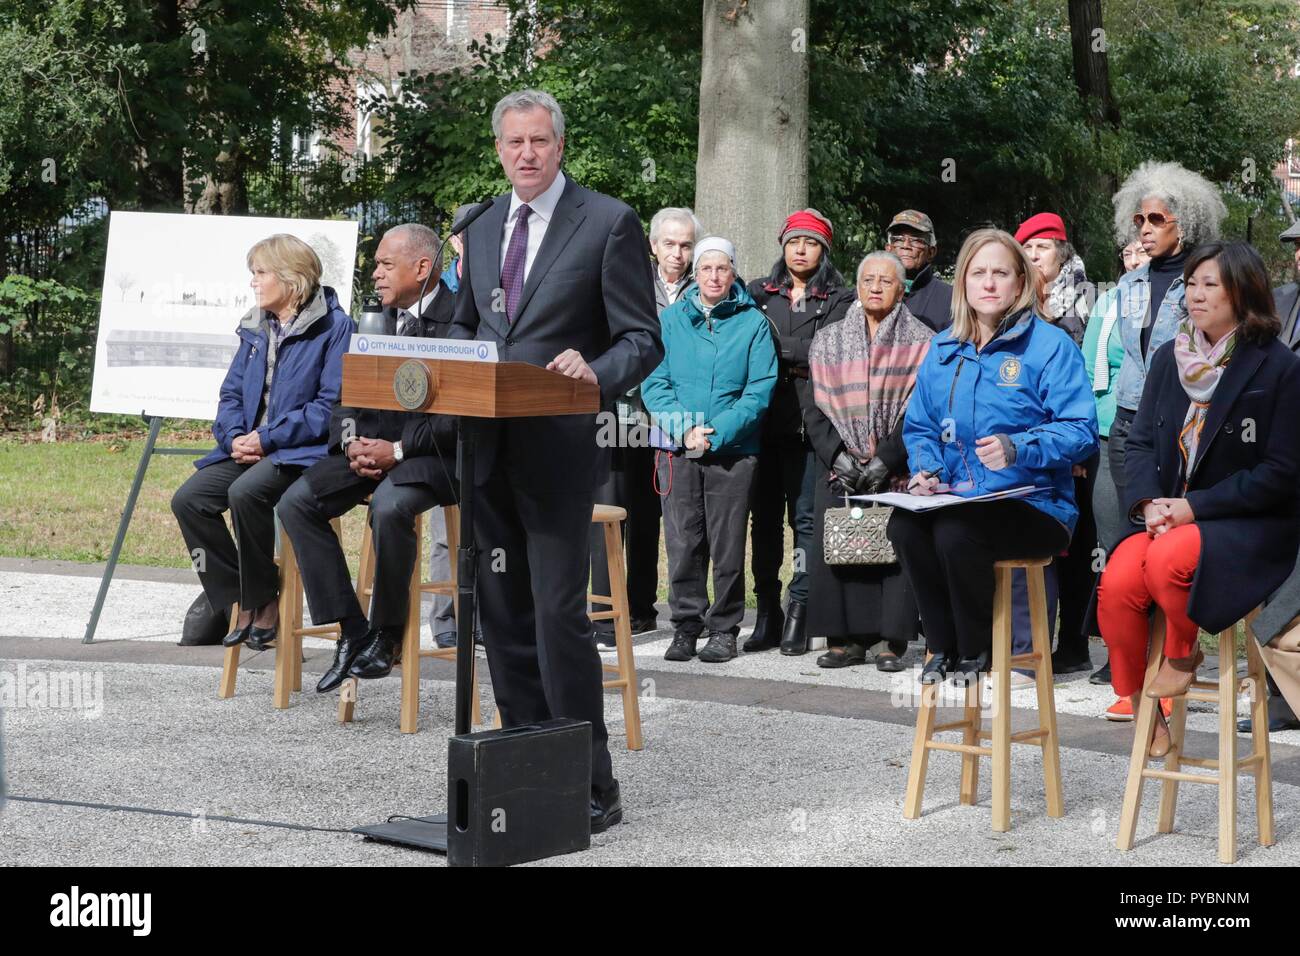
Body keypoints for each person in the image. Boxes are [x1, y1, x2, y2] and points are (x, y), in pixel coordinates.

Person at [447, 89, 663, 834]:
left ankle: (589, 783)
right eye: (514, 143)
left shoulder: (607, 222)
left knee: (556, 620)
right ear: (500, 149)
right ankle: (522, 765)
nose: (526, 154)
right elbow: (471, 328)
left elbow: (642, 338)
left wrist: (595, 371)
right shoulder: (478, 226)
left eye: (539, 141)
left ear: (560, 145)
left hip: (560, 454)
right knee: (501, 616)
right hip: (487, 452)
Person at [1097, 241, 1300, 758]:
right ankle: (1143, 704)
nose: (1196, 294)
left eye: (1211, 284)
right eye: (1191, 283)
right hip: (1167, 515)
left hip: (1243, 523)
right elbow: (1140, 440)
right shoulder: (1169, 357)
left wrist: (1193, 508)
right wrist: (1148, 504)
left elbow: (1280, 473)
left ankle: (1182, 654)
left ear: (1244, 291)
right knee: (1118, 578)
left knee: (1166, 560)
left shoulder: (1277, 366)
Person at [886, 228, 1098, 684]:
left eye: (1000, 273)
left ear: (1019, 283)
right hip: (958, 498)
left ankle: (975, 650)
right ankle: (941, 646)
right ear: (963, 282)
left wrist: (1019, 446)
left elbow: (1082, 432)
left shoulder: (1050, 346)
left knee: (956, 533)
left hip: (1036, 505)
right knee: (904, 526)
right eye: (977, 273)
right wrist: (927, 470)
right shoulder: (943, 349)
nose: (988, 283)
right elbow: (920, 426)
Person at [277, 223, 459, 691]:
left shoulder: (460, 321)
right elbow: (346, 394)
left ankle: (388, 635)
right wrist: (352, 441)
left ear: (422, 267)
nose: (374, 273)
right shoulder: (373, 318)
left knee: (390, 506)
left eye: (384, 264)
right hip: (370, 449)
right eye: (375, 264)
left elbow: (458, 416)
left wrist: (396, 450)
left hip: (431, 455)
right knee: (295, 503)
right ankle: (353, 628)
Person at [171, 234, 352, 650]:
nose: (253, 282)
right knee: (189, 500)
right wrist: (234, 437)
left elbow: (327, 408)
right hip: (252, 445)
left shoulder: (335, 327)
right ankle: (245, 597)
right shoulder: (255, 325)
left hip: (299, 450)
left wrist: (266, 438)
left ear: (292, 279)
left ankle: (261, 603)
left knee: (246, 493)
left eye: (261, 273)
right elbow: (231, 394)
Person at [643, 237, 777, 664]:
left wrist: (714, 433)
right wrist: (685, 431)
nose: (714, 277)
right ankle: (686, 625)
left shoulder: (752, 323)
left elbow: (758, 392)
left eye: (722, 269)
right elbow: (655, 383)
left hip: (733, 451)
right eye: (706, 269)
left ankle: (724, 628)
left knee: (727, 543)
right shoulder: (671, 320)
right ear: (695, 274)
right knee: (683, 541)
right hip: (678, 451)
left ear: (733, 272)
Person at [801, 251, 931, 669]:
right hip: (840, 467)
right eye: (868, 280)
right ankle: (843, 640)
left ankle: (890, 641)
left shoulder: (923, 340)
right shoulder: (828, 339)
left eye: (886, 281)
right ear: (857, 286)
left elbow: (921, 409)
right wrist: (838, 456)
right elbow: (815, 404)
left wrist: (885, 460)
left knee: (895, 547)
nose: (876, 287)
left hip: (895, 468)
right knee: (841, 545)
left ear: (901, 289)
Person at [588, 206, 702, 644]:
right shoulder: (628, 282)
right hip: (621, 416)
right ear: (653, 246)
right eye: (669, 243)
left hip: (672, 423)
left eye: (685, 244)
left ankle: (640, 608)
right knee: (609, 513)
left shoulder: (703, 287)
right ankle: (603, 613)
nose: (677, 253)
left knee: (652, 515)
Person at [746, 208, 854, 656]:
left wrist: (775, 350)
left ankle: (800, 609)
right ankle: (767, 610)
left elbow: (831, 350)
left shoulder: (841, 299)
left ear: (823, 249)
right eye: (794, 242)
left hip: (813, 427)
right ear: (783, 246)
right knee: (764, 522)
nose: (801, 249)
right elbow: (747, 345)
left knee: (806, 522)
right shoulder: (758, 292)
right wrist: (796, 355)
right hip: (762, 422)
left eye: (810, 242)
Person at [1106, 162, 1226, 533]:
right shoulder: (1131, 283)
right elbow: (1130, 352)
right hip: (1128, 425)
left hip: (1180, 425)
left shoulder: (1201, 284)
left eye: (1156, 219)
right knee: (1129, 535)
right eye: (1140, 219)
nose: (1144, 228)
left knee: (1171, 537)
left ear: (1184, 223)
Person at [1013, 211, 1098, 686]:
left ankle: (1074, 643)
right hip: (1027, 442)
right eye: (1026, 248)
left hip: (1073, 433)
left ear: (1061, 251)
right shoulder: (1016, 299)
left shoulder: (1085, 297)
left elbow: (1087, 373)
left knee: (1078, 543)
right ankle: (1030, 642)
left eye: (1042, 247)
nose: (1033, 255)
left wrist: (1076, 452)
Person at [1085, 238, 1151, 711]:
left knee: (1153, 550)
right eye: (1126, 253)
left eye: (1141, 252)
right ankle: (1121, 658)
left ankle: (1162, 663)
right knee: (1114, 547)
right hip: (1110, 434)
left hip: (1159, 436)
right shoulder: (1108, 302)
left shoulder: (1175, 297)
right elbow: (1091, 368)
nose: (1134, 260)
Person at [429, 203, 479, 649]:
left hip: (488, 417)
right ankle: (444, 616)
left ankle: (480, 615)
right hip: (444, 426)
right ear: (458, 239)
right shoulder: (438, 289)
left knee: (485, 530)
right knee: (446, 534)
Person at [884, 209, 952, 332]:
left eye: (916, 240)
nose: (906, 245)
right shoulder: (868, 293)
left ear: (931, 252)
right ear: (888, 248)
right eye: (898, 239)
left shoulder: (950, 299)